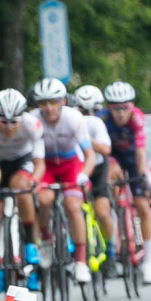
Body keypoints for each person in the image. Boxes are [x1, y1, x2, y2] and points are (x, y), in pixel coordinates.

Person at [30, 78, 96, 285]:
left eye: (54, 102)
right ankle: (47, 239)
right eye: (43, 104)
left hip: (71, 165)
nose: (49, 108)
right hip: (46, 165)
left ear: (63, 102)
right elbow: (34, 158)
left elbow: (90, 155)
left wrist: (84, 174)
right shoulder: (33, 120)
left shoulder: (74, 119)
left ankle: (80, 261)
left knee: (73, 206)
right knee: (44, 200)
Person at [0, 88, 46, 288]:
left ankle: (30, 242)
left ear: (22, 117)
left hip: (22, 161)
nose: (9, 127)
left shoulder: (32, 125)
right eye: (4, 122)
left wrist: (35, 181)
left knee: (22, 186)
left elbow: (39, 162)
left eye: (14, 122)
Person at [101, 80, 151, 285]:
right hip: (114, 157)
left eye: (125, 107)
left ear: (132, 105)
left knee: (143, 205)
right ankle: (117, 223)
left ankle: (148, 262)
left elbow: (142, 153)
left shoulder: (137, 119)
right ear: (109, 107)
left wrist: (143, 179)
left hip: (134, 158)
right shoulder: (102, 119)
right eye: (116, 108)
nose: (121, 113)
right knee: (111, 176)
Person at [71, 84, 115, 272]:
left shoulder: (98, 123)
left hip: (97, 168)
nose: (89, 114)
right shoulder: (71, 121)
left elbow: (106, 149)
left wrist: (86, 139)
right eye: (83, 110)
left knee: (103, 212)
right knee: (72, 208)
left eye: (94, 110)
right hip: (78, 167)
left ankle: (111, 252)